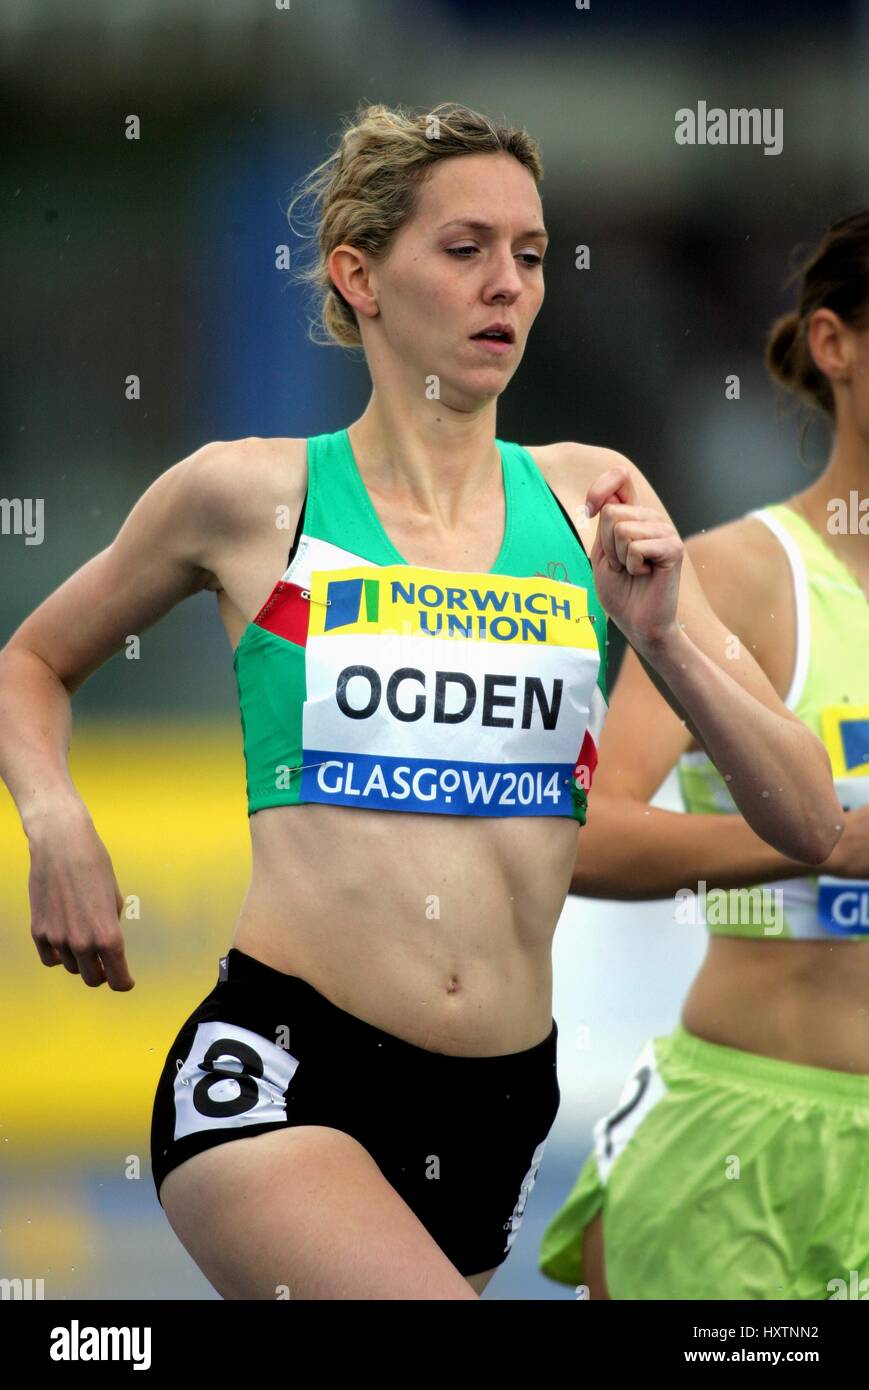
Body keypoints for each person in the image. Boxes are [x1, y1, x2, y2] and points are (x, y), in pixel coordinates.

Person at [0, 101, 843, 1302]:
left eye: (532, 255)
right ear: (360, 276)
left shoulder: (588, 498)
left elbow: (808, 818)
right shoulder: (248, 494)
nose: (508, 284)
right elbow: (28, 664)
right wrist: (54, 818)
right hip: (286, 1069)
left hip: (499, 1099)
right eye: (465, 250)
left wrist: (660, 636)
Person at [539, 209, 869, 1301]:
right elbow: (581, 837)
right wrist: (810, 843)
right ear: (833, 343)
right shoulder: (737, 575)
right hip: (747, 1142)